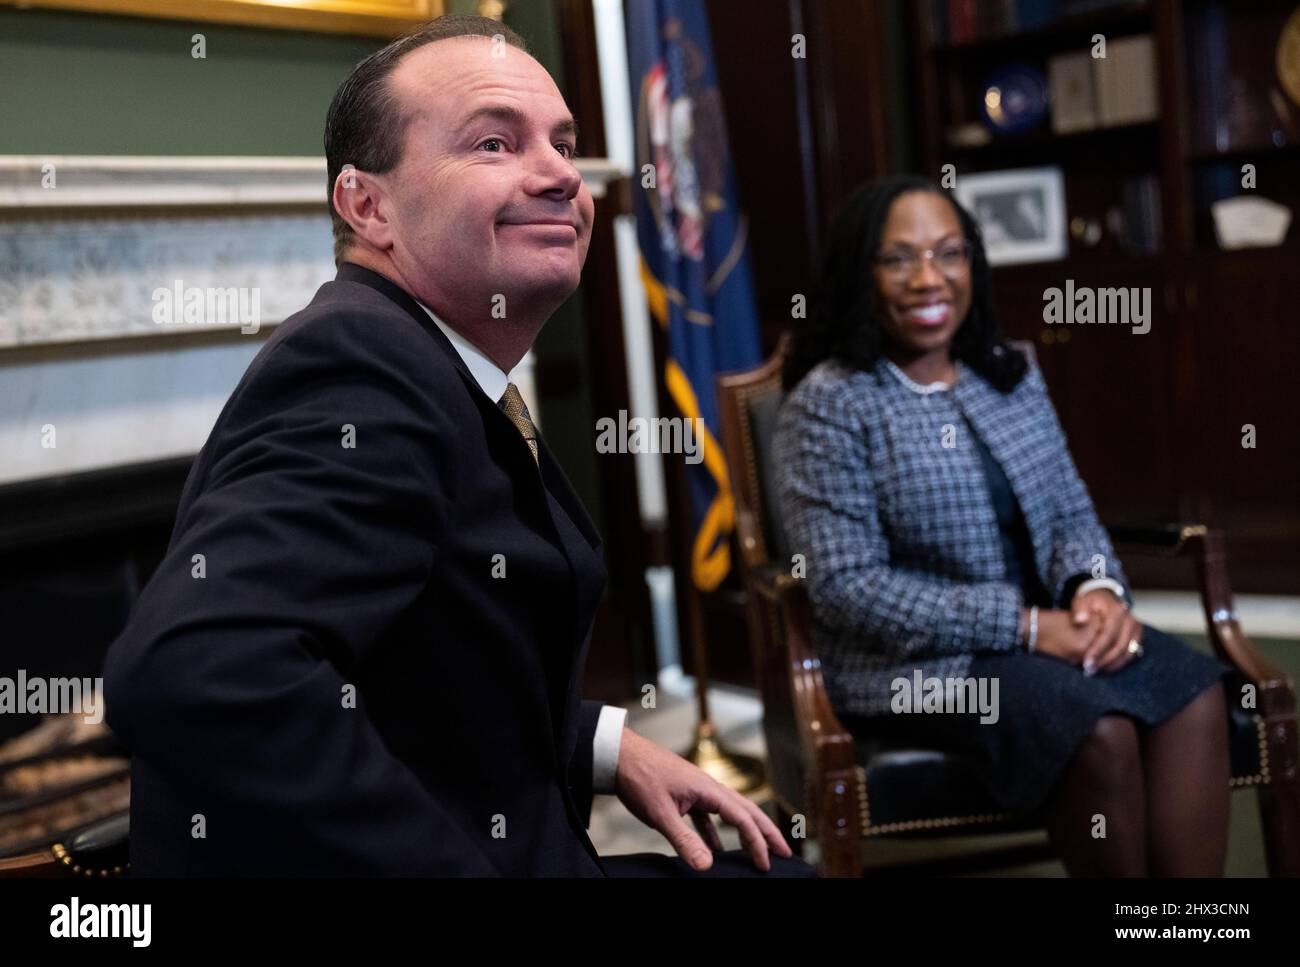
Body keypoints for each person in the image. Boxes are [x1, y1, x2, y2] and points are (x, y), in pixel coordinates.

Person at [104, 15, 809, 878]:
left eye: (563, 143)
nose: (560, 175)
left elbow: (420, 672)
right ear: (369, 205)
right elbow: (194, 674)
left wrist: (604, 742)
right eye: (493, 144)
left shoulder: (433, 360)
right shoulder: (361, 366)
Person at [774, 175, 1230, 876]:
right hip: (909, 668)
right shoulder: (831, 402)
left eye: (949, 253)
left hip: (1048, 636)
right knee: (1098, 729)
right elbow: (846, 588)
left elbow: (1071, 510)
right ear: (861, 271)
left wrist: (1094, 589)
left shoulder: (1007, 369)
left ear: (972, 265)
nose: (930, 278)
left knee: (1194, 693)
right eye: (900, 258)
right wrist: (1021, 626)